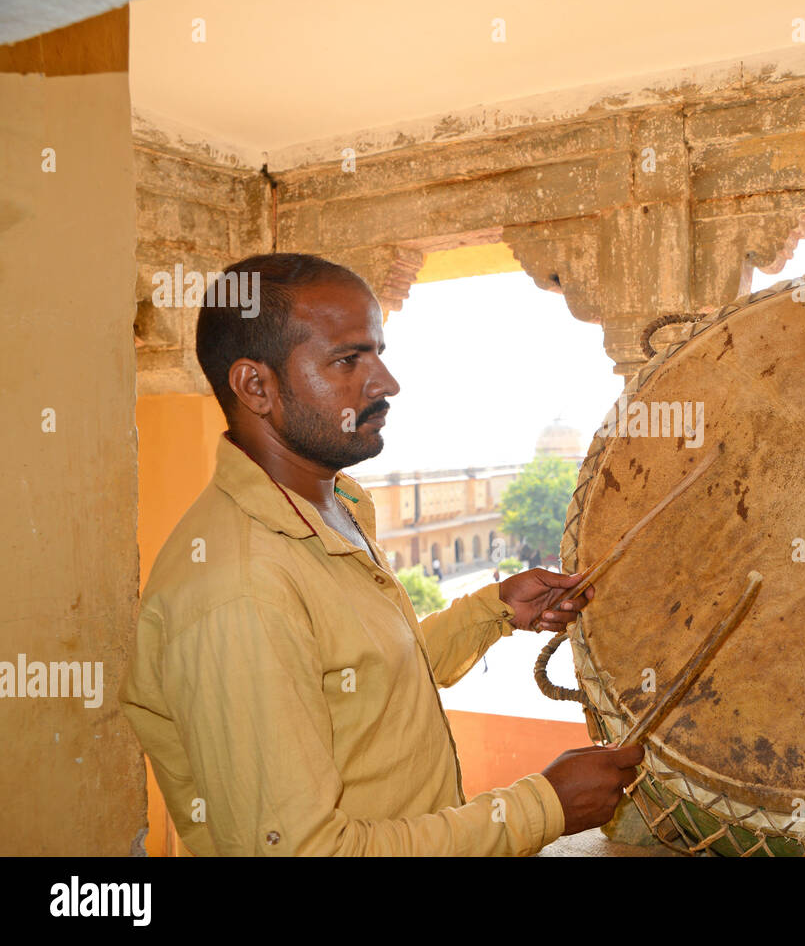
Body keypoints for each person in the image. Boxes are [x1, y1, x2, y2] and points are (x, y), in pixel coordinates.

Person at [119, 253, 642, 856]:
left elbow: (366, 680)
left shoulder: (333, 506)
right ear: (255, 386)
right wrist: (541, 806)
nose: (386, 383)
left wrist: (492, 611)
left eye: (378, 353)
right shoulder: (239, 591)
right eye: (348, 360)